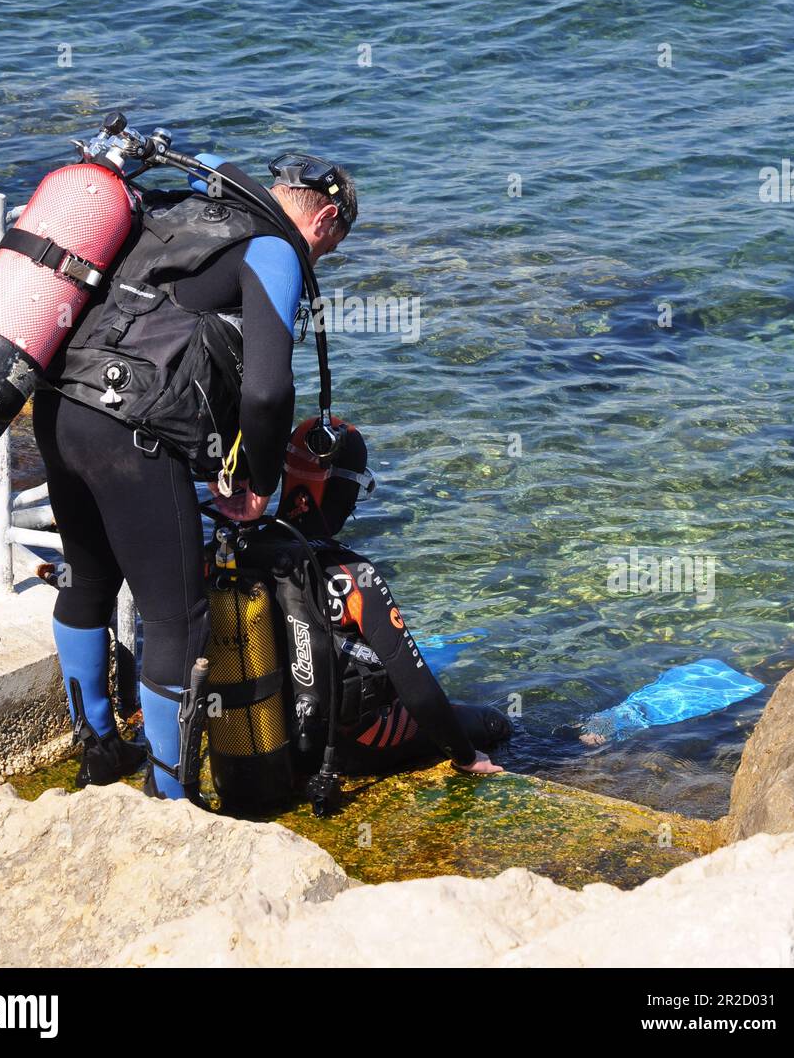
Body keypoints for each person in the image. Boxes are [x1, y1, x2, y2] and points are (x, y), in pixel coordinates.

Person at [33, 148, 357, 800]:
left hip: (57, 405)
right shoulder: (274, 248)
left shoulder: (182, 212)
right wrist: (259, 483)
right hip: (129, 433)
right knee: (179, 617)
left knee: (89, 579)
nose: (316, 261)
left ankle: (98, 751)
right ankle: (170, 798)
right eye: (329, 247)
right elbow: (268, 390)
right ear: (323, 218)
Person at [234, 417, 510, 778]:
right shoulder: (352, 574)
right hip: (348, 750)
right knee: (494, 724)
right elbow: (417, 688)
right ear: (341, 491)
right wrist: (465, 756)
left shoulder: (240, 549)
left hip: (267, 737)